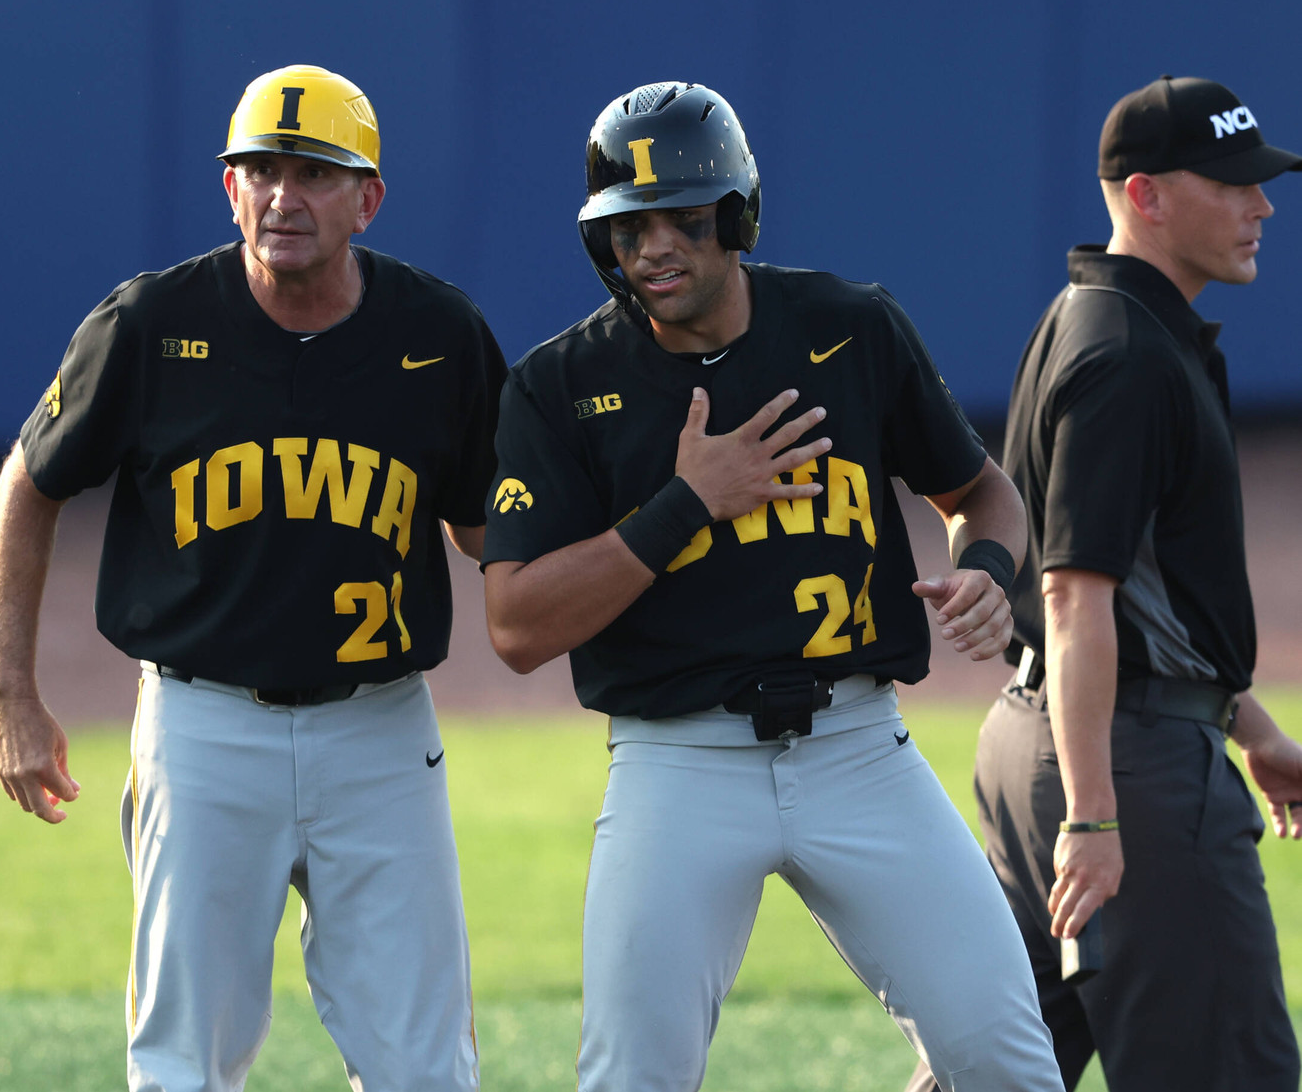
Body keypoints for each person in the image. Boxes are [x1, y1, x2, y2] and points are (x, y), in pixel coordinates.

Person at [481, 80, 1062, 1091]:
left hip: (859, 747)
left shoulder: (849, 326)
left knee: (1005, 1057)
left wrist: (985, 568)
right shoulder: (562, 383)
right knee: (631, 1077)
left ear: (738, 216)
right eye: (630, 225)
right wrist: (688, 502)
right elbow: (517, 625)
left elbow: (982, 493)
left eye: (685, 218)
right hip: (677, 762)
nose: (656, 246)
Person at [0, 65, 506, 1092]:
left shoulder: (438, 336)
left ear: (368, 199)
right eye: (260, 170)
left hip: (381, 732)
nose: (282, 196)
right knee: (183, 1062)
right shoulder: (149, 323)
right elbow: (29, 483)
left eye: (314, 173)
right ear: (230, 189)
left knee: (425, 1067)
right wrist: (11, 692)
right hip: (204, 728)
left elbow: (487, 528)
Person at [907, 75, 1302, 1092]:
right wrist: (1094, 815)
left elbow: (1136, 597)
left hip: (1043, 740)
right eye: (1233, 182)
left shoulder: (1094, 319)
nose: (1263, 205)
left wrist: (1249, 725)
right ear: (1146, 194)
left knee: (990, 1071)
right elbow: (1076, 594)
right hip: (1127, 770)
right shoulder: (1128, 354)